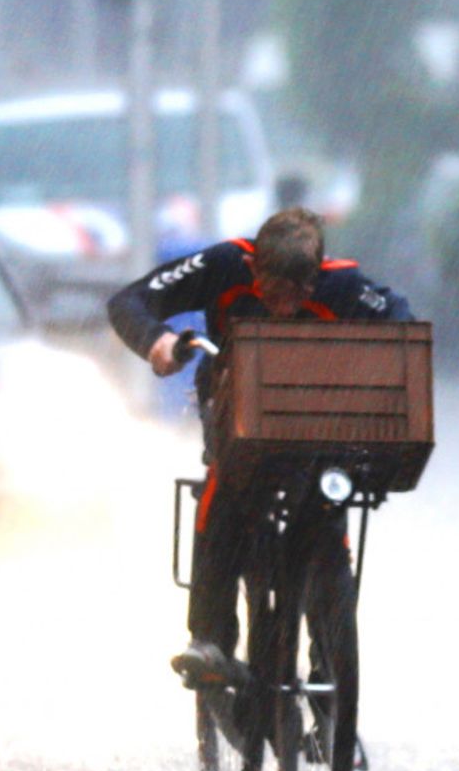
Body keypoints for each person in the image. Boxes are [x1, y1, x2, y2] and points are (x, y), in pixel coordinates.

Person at [108, 206, 412, 688]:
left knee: (328, 509)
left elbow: (401, 321)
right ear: (254, 270)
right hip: (235, 415)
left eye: (300, 296)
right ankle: (209, 637)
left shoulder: (345, 285)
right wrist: (157, 340)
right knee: (225, 487)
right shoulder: (225, 264)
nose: (285, 309)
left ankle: (330, 668)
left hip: (315, 427)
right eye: (274, 295)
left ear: (316, 276)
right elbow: (130, 301)